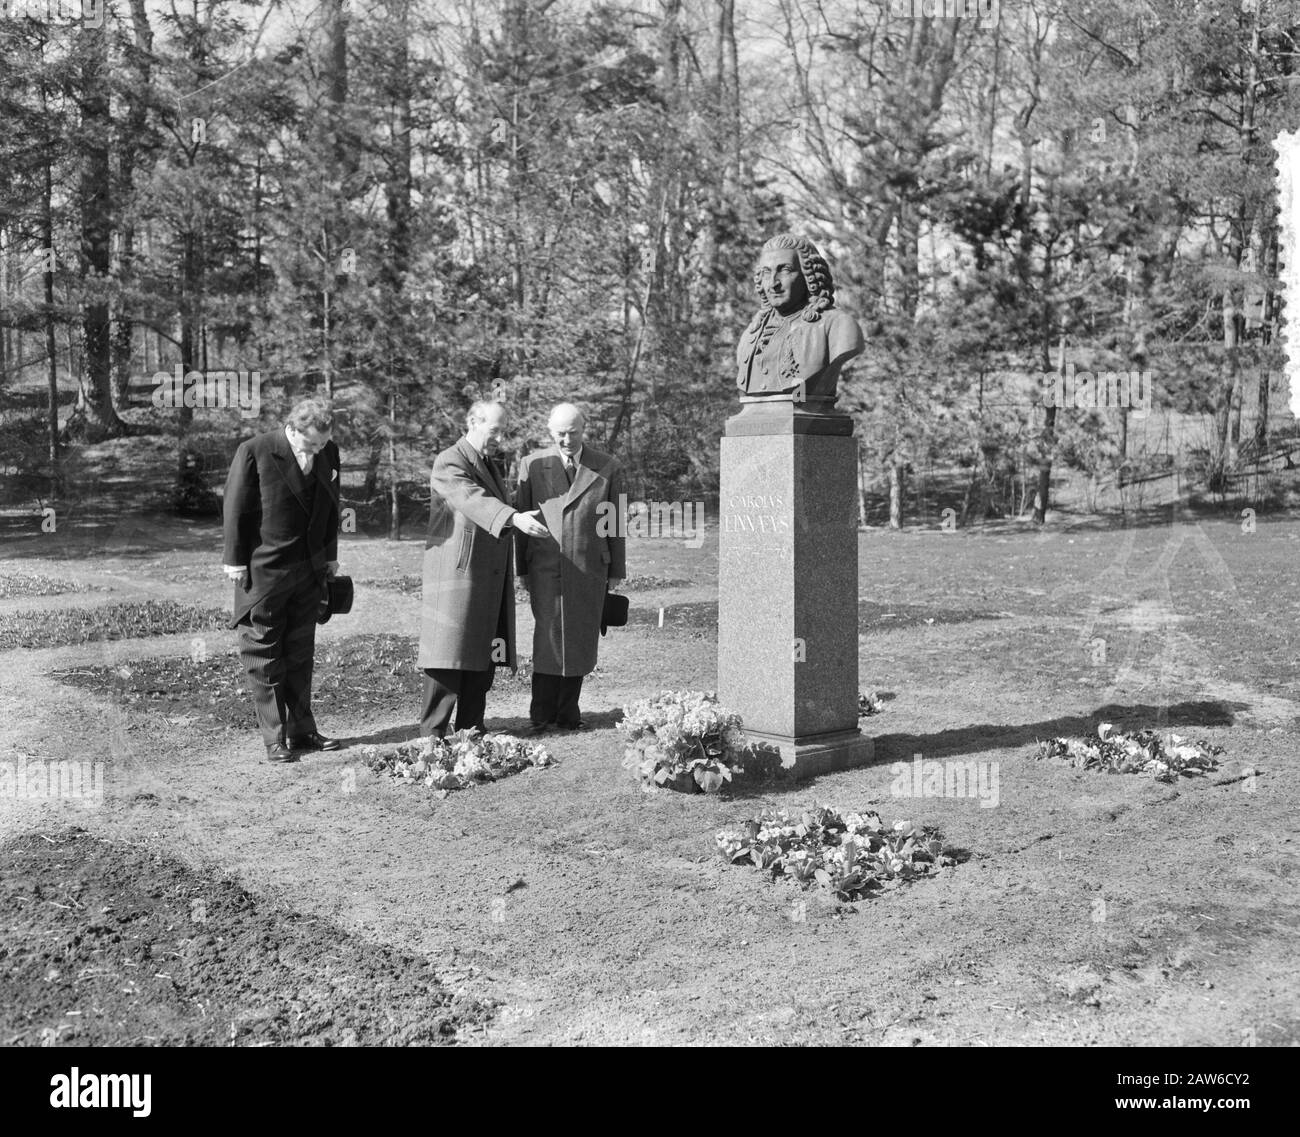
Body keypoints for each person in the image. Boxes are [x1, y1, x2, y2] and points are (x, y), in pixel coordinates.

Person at [417, 401, 550, 737]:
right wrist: (513, 517)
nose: (500, 438)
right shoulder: (450, 460)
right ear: (472, 421)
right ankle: (432, 736)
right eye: (495, 431)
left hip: (485, 575)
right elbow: (469, 498)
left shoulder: (488, 462)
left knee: (481, 654)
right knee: (447, 657)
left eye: (504, 431)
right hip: (457, 577)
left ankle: (471, 728)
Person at [222, 397, 342, 763]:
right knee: (263, 654)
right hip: (264, 572)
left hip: (309, 570)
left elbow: (331, 506)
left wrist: (331, 555)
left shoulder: (328, 452)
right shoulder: (255, 451)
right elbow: (235, 506)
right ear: (292, 429)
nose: (319, 451)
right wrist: (234, 561)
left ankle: (303, 730)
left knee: (300, 653)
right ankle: (275, 738)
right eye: (312, 444)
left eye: (324, 444)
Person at [515, 402, 626, 732]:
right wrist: (521, 568)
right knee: (547, 636)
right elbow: (522, 519)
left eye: (572, 433)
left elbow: (614, 523)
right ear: (550, 432)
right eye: (560, 433)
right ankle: (541, 714)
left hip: (589, 567)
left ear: (584, 429)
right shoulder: (531, 465)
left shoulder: (607, 466)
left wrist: (616, 568)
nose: (566, 439)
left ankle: (568, 713)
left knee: (578, 636)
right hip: (544, 568)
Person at [736, 232, 865, 402]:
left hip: (807, 415)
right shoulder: (750, 335)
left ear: (809, 277)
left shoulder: (838, 326)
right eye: (767, 272)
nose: (774, 283)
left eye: (785, 270)